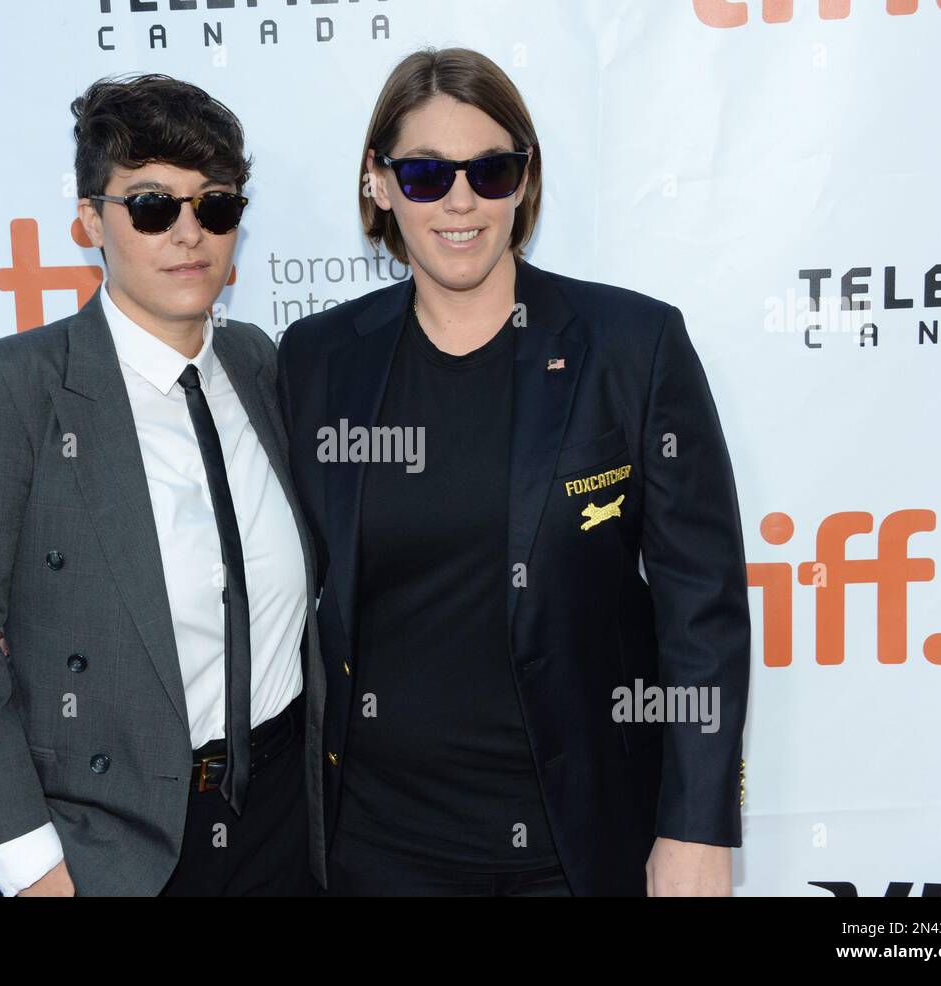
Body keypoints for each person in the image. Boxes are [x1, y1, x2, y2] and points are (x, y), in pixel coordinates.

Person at [276, 47, 750, 896]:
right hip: (371, 851)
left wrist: (696, 828)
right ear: (377, 185)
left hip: (575, 848)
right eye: (425, 174)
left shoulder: (630, 349)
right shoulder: (318, 361)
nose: (461, 201)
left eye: (490, 170)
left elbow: (701, 611)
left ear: (525, 181)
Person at [0, 73, 326, 896]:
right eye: (153, 205)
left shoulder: (259, 364)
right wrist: (34, 871)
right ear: (92, 219)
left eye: (217, 205)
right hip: (110, 852)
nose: (189, 233)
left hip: (283, 827)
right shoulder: (6, 391)